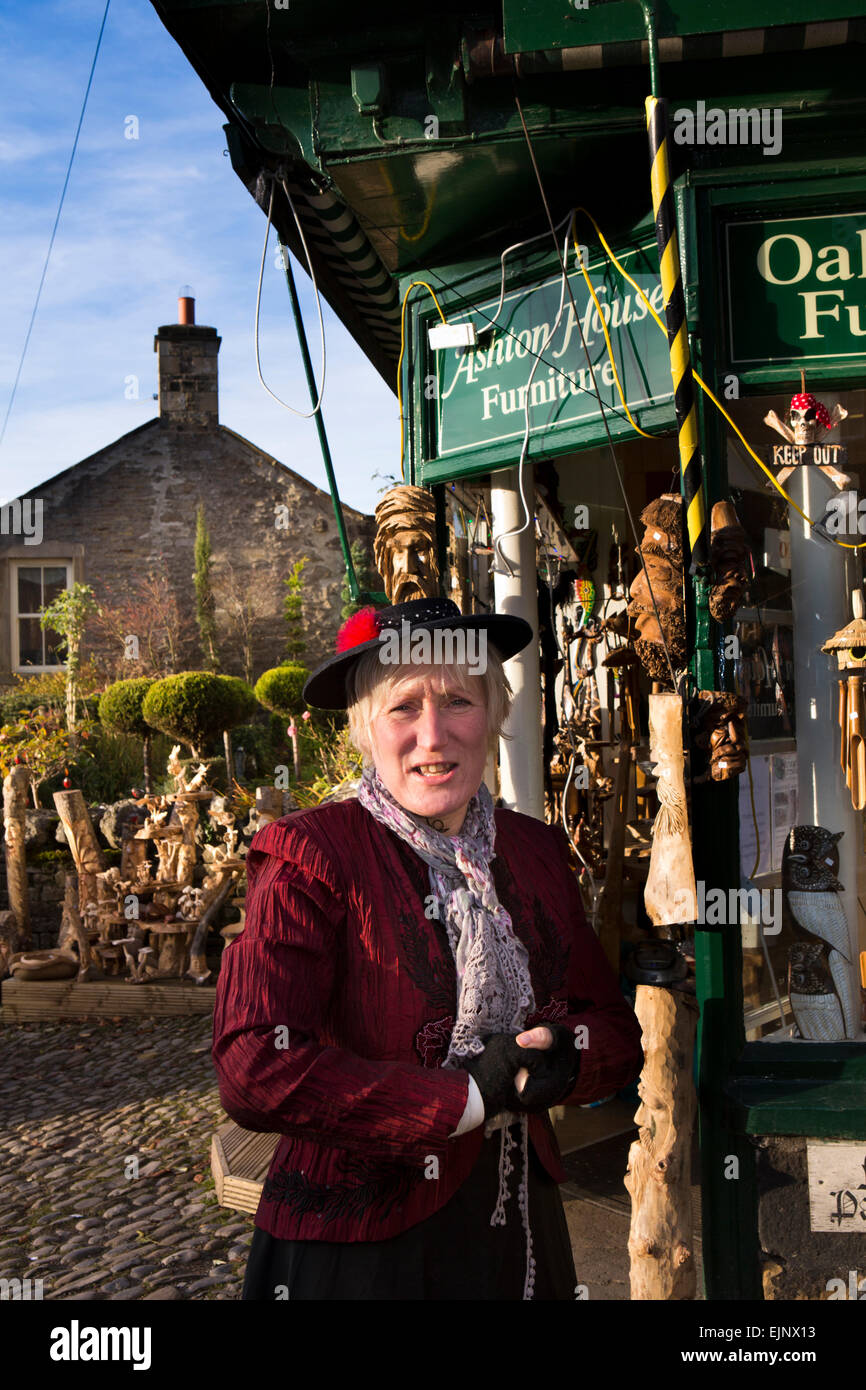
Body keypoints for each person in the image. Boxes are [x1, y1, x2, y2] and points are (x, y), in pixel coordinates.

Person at [212, 597, 643, 1301]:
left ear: (495, 714)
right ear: (364, 729)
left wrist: (568, 1054)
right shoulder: (311, 854)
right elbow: (255, 1062)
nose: (434, 735)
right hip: (364, 1250)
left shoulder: (533, 849)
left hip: (518, 1230)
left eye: (457, 701)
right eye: (404, 707)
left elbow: (614, 1027)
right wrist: (469, 1096)